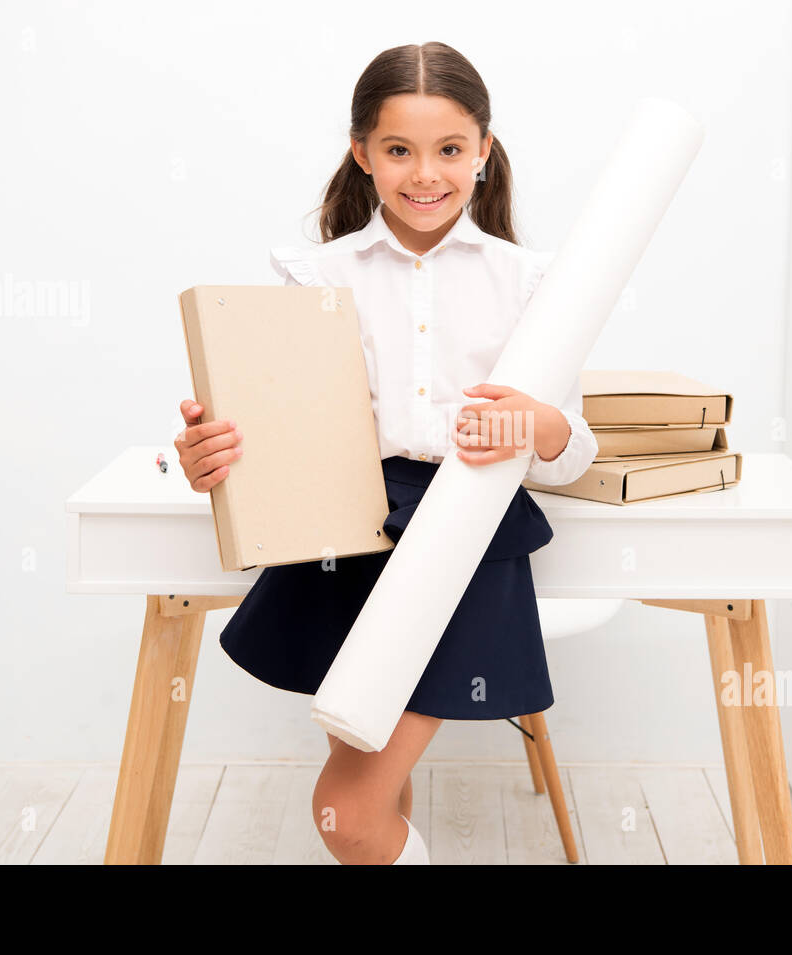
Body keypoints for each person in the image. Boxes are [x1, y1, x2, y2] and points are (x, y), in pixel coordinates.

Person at [174, 41, 597, 865]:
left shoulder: (529, 282)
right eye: (399, 150)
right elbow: (287, 434)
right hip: (350, 533)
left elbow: (571, 451)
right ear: (362, 154)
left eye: (448, 149)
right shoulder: (315, 276)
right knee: (369, 799)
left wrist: (532, 424)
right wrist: (215, 455)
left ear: (483, 149)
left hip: (467, 539)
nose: (424, 173)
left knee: (347, 809)